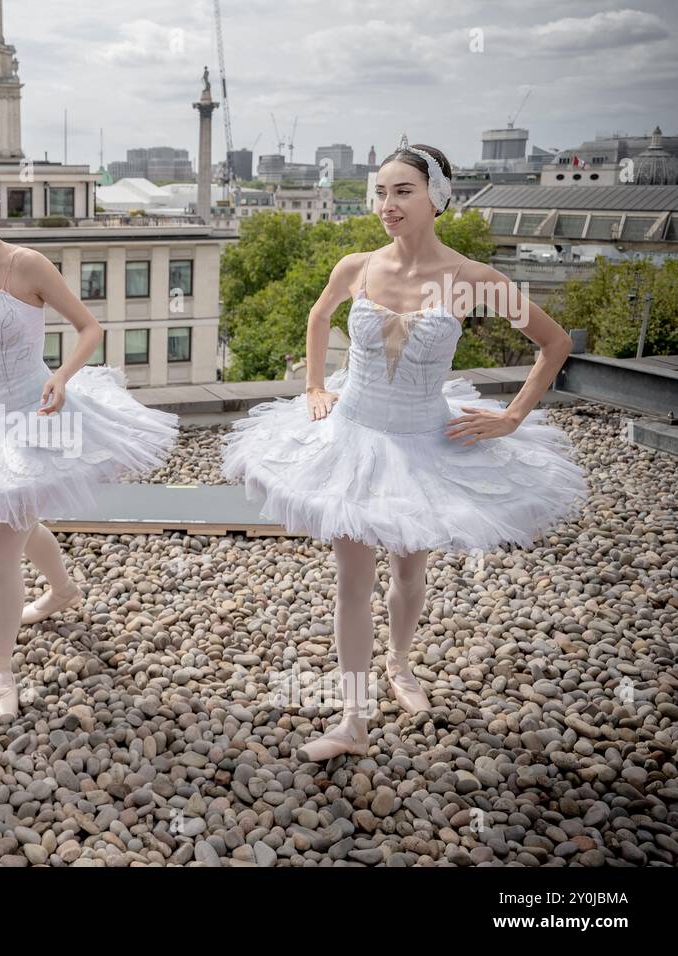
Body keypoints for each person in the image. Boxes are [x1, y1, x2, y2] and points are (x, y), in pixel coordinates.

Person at [220, 137, 588, 761]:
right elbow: (319, 316)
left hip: (425, 442)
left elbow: (554, 344)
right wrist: (314, 385)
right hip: (352, 437)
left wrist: (512, 417)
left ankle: (401, 663)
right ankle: (353, 720)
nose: (387, 205)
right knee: (351, 581)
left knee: (411, 571)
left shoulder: (473, 281)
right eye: (381, 192)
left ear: (437, 198)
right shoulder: (358, 266)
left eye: (403, 191)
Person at [0, 161, 179, 721]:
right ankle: (62, 591)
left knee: (1, 542)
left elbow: (89, 328)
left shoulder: (26, 265)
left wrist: (61, 376)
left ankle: (0, 666)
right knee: (18, 518)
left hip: (36, 410)